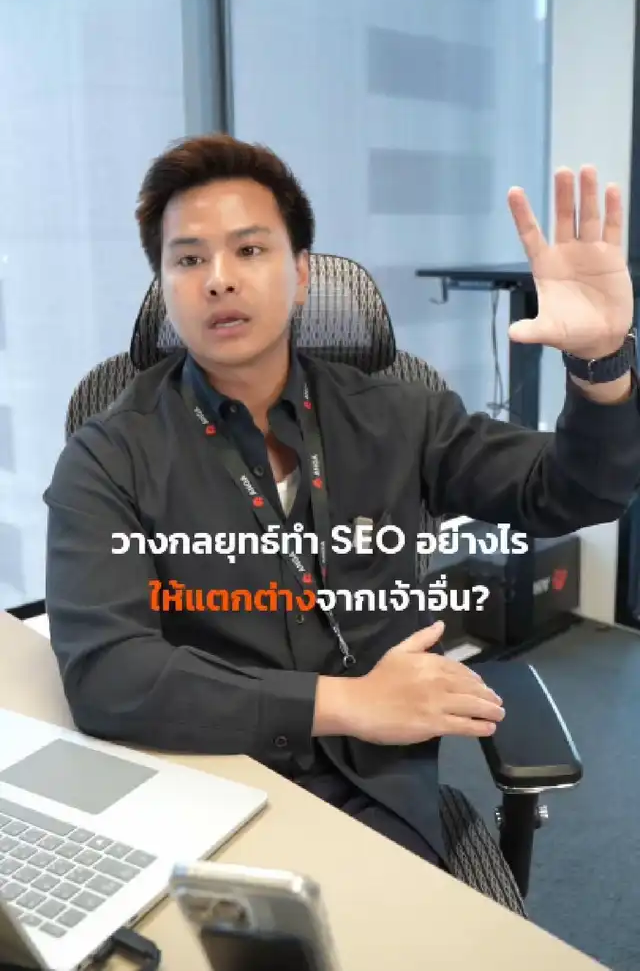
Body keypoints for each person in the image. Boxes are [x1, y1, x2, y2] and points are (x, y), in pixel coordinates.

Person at [44, 134, 640, 902]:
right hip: (202, 782)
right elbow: (108, 676)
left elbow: (571, 494)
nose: (219, 278)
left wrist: (601, 368)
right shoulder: (109, 453)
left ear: (300, 276)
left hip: (376, 798)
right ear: (165, 285)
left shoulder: (401, 415)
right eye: (188, 259)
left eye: (249, 249)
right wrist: (347, 702)